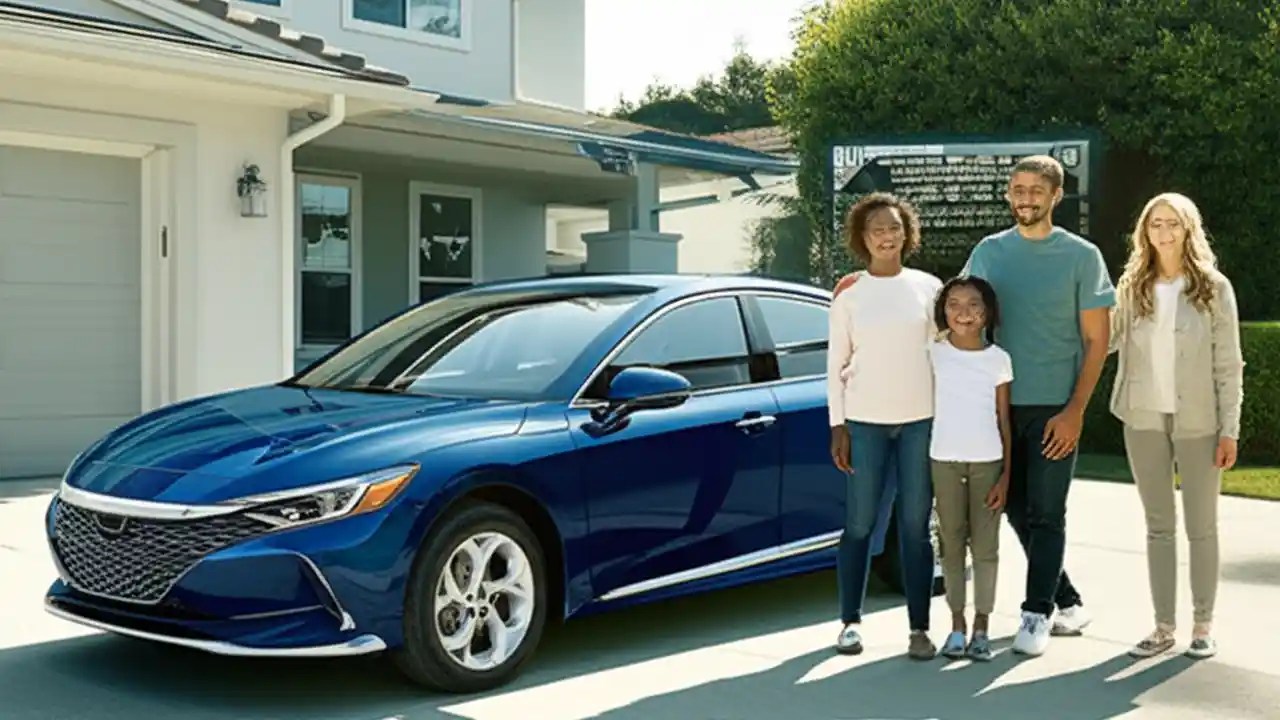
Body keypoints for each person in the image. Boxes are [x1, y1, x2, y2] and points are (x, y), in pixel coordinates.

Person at [832, 155, 1114, 657]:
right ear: (1010, 194)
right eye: (1018, 189)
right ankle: (1066, 598)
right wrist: (871, 285)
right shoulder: (989, 252)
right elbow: (947, 307)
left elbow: (1097, 340)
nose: (1025, 198)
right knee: (1013, 509)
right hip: (995, 407)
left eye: (1036, 190)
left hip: (1054, 406)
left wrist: (1075, 411)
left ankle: (1036, 613)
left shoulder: (1082, 256)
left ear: (1055, 196)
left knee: (1047, 513)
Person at [1108, 192, 1243, 660]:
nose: (1163, 232)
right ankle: (1163, 627)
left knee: (1201, 527)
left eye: (1172, 224)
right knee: (1158, 526)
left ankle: (1202, 626)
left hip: (1200, 421)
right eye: (1155, 224)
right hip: (1142, 417)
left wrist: (1231, 429)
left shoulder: (1212, 287)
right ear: (1144, 232)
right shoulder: (1131, 287)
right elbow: (1102, 341)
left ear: (1189, 229)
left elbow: (1229, 365)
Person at [827, 191, 942, 660]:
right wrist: (839, 426)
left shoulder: (929, 287)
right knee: (858, 525)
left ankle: (919, 629)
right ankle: (850, 624)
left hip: (920, 422)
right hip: (865, 423)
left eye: (894, 227)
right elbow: (836, 363)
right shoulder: (848, 294)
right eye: (877, 229)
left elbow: (945, 353)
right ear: (862, 237)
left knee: (915, 527)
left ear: (906, 233)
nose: (886, 236)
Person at [927, 275, 1012, 662]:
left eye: (974, 304)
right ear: (943, 311)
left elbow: (1003, 419)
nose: (964, 312)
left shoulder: (999, 359)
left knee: (986, 548)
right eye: (954, 304)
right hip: (943, 458)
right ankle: (956, 626)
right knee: (950, 545)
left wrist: (1007, 474)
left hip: (988, 461)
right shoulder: (933, 353)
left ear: (987, 312)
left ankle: (982, 627)